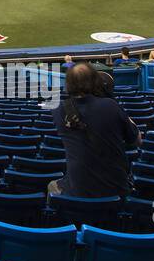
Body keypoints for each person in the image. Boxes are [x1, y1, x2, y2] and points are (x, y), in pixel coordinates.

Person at [48, 63, 139, 198]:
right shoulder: (110, 106)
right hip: (116, 189)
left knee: (52, 186)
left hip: (77, 189)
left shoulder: (58, 110)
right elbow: (137, 140)